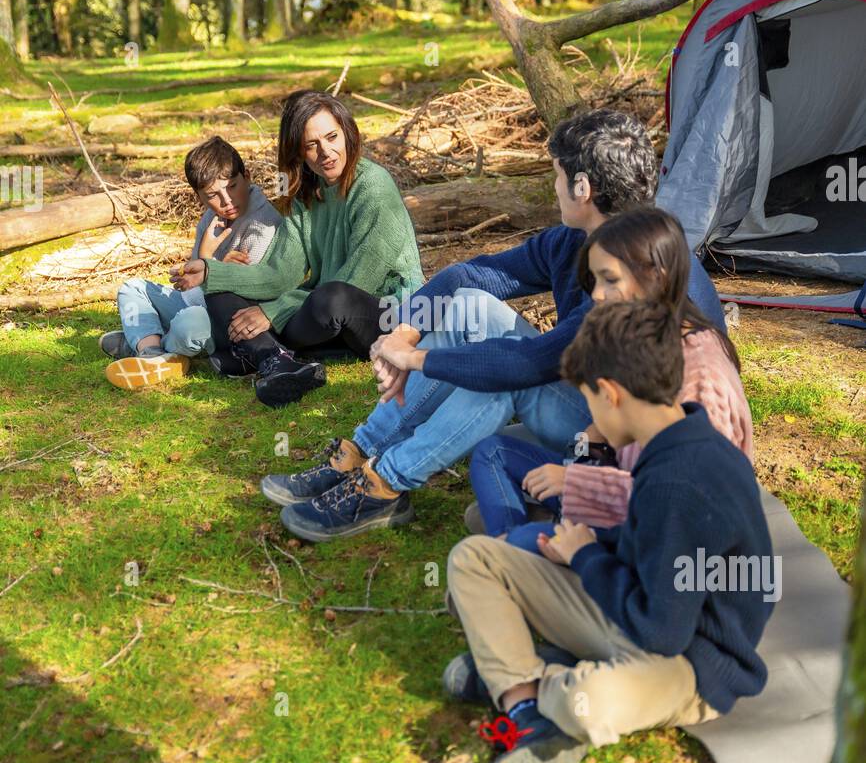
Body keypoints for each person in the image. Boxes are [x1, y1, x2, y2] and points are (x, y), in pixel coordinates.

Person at [270, 108, 726, 541]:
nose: (553, 187)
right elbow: (472, 274)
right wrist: (404, 331)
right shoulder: (578, 241)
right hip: (594, 409)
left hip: (627, 438)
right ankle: (362, 449)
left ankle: (387, 483)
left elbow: (531, 366)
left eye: (557, 177)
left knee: (505, 378)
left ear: (582, 187)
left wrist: (417, 359)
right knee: (469, 305)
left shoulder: (634, 275)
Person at [445, 300, 776, 763]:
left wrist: (585, 559)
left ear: (611, 394)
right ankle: (527, 703)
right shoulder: (678, 440)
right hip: (644, 613)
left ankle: (532, 681)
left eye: (589, 403)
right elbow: (651, 546)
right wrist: (593, 545)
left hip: (692, 664)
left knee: (586, 703)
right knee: (476, 558)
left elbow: (662, 631)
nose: (591, 422)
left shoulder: (678, 480)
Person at [469, 206, 752, 551]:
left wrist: (575, 484)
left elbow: (684, 500)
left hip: (649, 533)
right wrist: (582, 455)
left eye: (610, 280)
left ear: (657, 277)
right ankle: (519, 543)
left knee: (505, 540)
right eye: (595, 280)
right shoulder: (640, 336)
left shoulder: (701, 377)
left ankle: (516, 549)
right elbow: (604, 437)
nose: (597, 295)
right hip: (612, 487)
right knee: (493, 452)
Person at [170, 90, 424, 408]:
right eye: (311, 145)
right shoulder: (305, 196)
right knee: (222, 288)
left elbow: (359, 281)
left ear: (347, 133)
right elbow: (280, 274)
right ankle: (276, 360)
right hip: (325, 317)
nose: (326, 152)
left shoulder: (374, 186)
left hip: (388, 316)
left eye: (332, 137)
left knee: (332, 296)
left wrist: (273, 311)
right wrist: (210, 270)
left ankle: (248, 352)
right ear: (298, 152)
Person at [100, 136, 283, 391]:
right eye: (212, 195)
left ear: (247, 176)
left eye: (232, 186)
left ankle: (141, 343)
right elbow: (194, 281)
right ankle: (153, 353)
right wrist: (200, 263)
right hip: (194, 301)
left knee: (190, 324)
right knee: (132, 289)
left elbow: (238, 296)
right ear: (199, 197)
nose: (226, 200)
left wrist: (212, 266)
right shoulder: (212, 217)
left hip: (219, 319)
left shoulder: (262, 225)